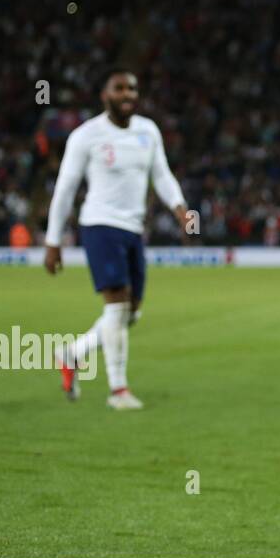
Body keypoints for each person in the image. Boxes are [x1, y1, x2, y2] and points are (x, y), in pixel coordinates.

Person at [44, 69, 191, 410]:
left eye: (133, 89)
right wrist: (53, 241)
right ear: (105, 95)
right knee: (117, 305)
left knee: (131, 313)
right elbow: (65, 189)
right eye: (120, 88)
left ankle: (73, 354)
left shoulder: (148, 131)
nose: (127, 94)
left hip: (133, 230)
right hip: (99, 225)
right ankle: (118, 390)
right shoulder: (86, 135)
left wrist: (181, 209)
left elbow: (162, 174)